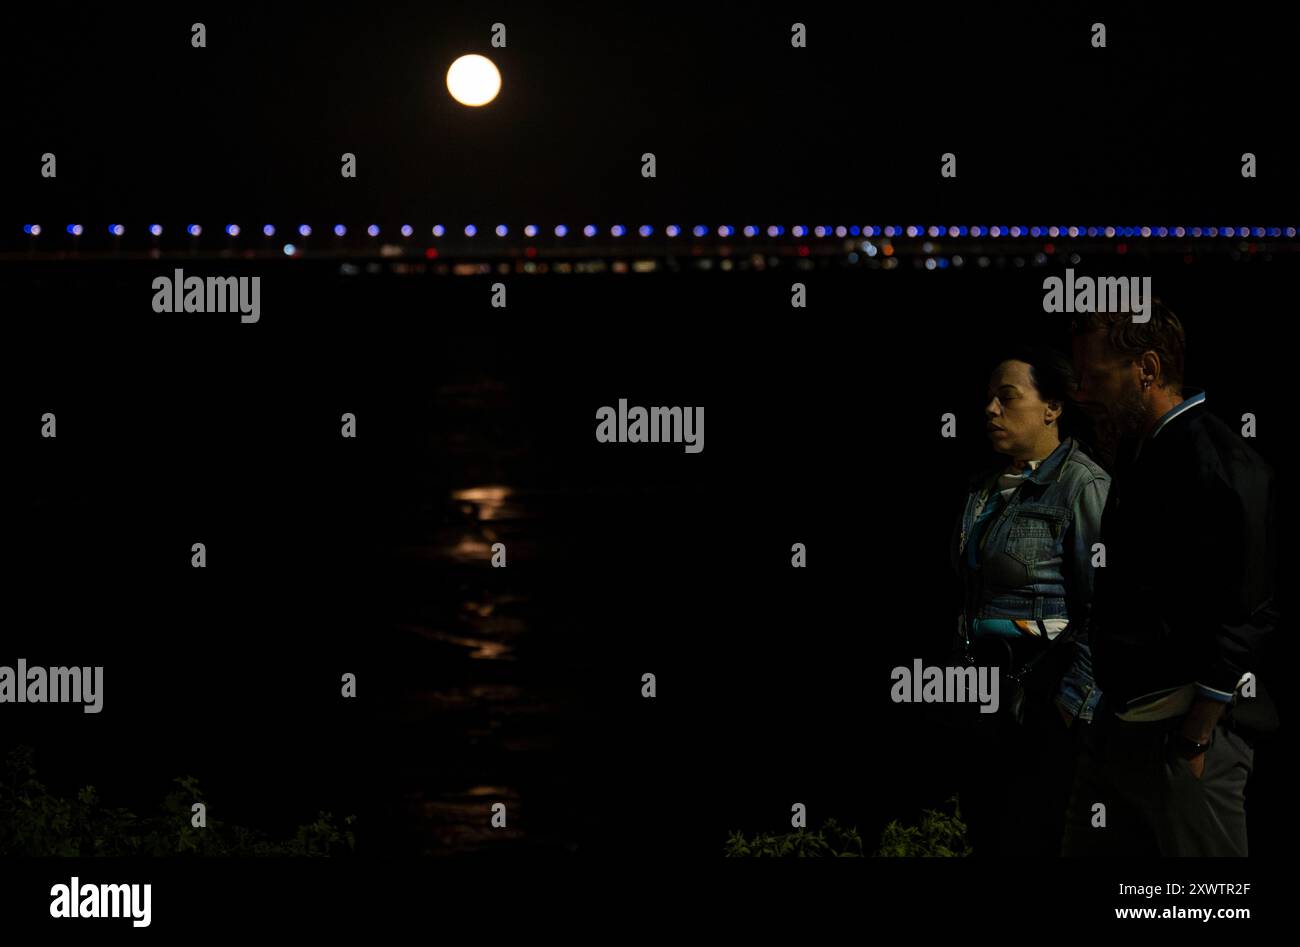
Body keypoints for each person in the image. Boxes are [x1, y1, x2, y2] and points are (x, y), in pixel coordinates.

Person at [1062, 300, 1277, 856]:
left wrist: (1195, 738)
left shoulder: (1219, 462)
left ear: (1148, 369)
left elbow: (1253, 607)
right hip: (1119, 731)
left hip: (1184, 741)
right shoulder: (1140, 450)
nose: (1080, 392)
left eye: (1095, 376)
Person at [949, 346, 1110, 856]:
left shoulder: (1082, 485)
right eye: (988, 400)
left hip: (1042, 712)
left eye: (1007, 398)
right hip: (987, 707)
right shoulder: (985, 487)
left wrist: (1067, 711)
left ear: (1052, 407)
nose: (990, 410)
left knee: (1036, 838)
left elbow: (1102, 609)